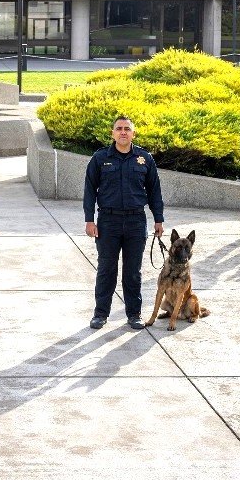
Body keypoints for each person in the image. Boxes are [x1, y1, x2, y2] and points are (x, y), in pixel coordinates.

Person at [84, 115, 164, 331]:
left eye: (127, 129)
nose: (123, 132)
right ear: (112, 133)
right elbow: (90, 191)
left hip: (136, 221)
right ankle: (100, 314)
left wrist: (159, 219)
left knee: (133, 271)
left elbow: (154, 190)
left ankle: (134, 314)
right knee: (106, 270)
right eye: (119, 128)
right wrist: (89, 220)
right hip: (108, 221)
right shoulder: (100, 159)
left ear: (133, 133)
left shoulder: (144, 159)